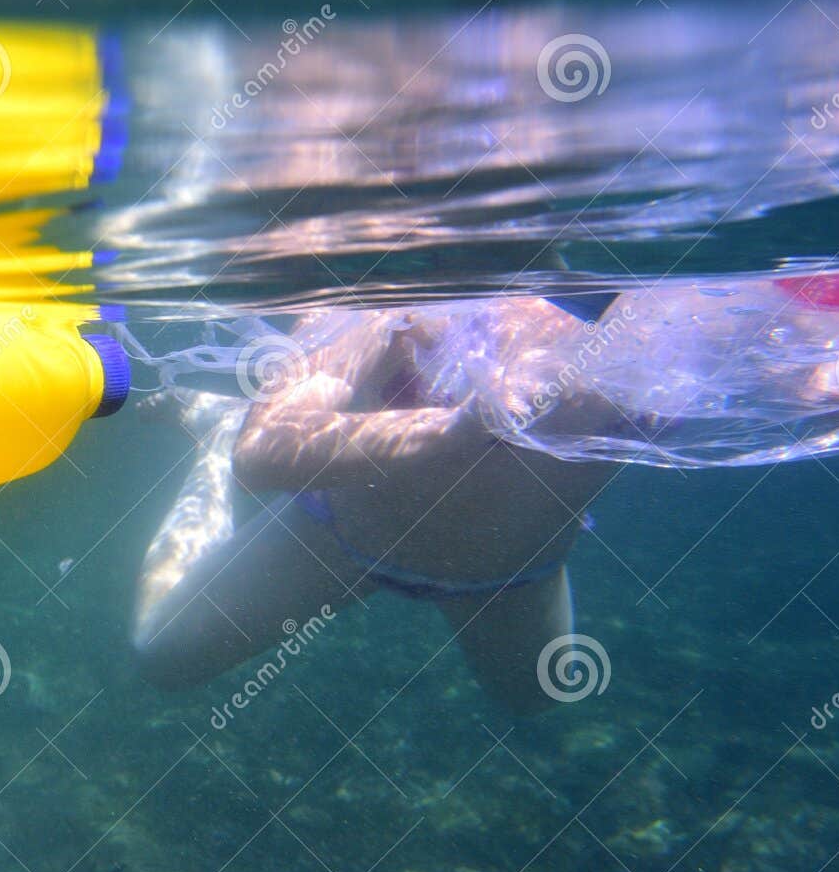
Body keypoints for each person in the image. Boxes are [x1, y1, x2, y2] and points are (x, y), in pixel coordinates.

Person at [130, 297, 620, 714]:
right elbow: (264, 449)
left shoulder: (660, 313)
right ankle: (217, 433)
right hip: (336, 534)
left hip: (511, 572)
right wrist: (453, 432)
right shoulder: (393, 289)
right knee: (160, 654)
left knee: (538, 698)